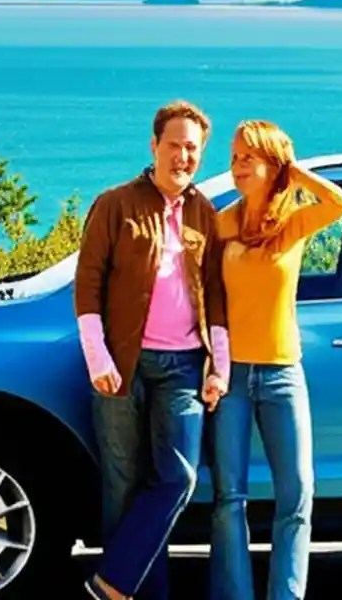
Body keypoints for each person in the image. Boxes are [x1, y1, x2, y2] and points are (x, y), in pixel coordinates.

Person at [74, 100, 232, 600]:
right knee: (123, 486)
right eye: (175, 145)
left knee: (177, 480)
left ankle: (110, 583)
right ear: (154, 146)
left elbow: (218, 297)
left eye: (192, 149)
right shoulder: (115, 204)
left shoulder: (206, 215)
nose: (183, 157)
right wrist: (98, 358)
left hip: (185, 366)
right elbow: (88, 286)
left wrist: (218, 369)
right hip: (123, 366)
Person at [209, 119, 342, 600]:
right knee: (229, 498)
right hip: (230, 378)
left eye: (249, 157)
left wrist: (295, 171)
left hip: (282, 374)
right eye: (233, 158)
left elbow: (340, 202)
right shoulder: (226, 221)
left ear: (274, 162)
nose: (237, 167)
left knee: (296, 495)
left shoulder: (294, 222)